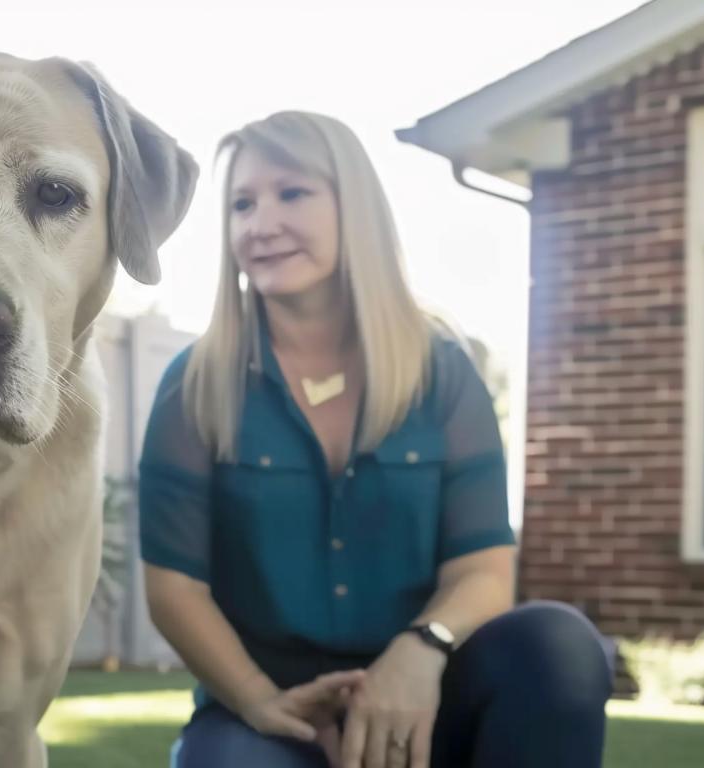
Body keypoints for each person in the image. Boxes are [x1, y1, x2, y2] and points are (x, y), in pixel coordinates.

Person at [139, 111, 613, 768]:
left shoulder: (441, 372)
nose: (261, 223)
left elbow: (483, 569)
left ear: (353, 207)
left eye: (292, 193)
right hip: (272, 716)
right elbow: (174, 590)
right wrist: (257, 700)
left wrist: (420, 652)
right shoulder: (191, 386)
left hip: (430, 699)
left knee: (559, 645)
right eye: (242, 204)